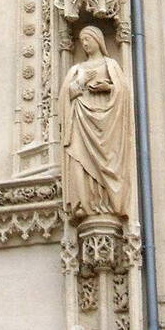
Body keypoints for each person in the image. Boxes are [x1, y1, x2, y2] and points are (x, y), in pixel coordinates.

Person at [59, 26, 131, 222]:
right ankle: (85, 203)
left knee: (107, 158)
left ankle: (106, 203)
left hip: (107, 122)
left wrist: (108, 87)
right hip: (81, 120)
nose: (84, 43)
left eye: (87, 39)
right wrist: (80, 82)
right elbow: (64, 97)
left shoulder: (111, 64)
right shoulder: (77, 69)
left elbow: (123, 92)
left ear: (98, 40)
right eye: (82, 40)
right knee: (79, 159)